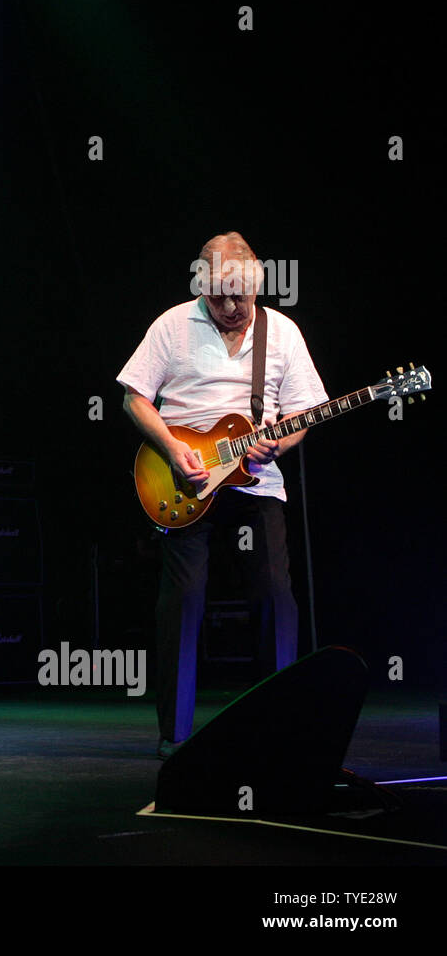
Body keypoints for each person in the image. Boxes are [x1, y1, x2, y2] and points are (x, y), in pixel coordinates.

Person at [117, 232, 327, 759]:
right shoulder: (172, 325)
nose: (232, 308)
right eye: (218, 297)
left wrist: (284, 440)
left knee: (277, 594)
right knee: (184, 599)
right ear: (201, 286)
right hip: (185, 481)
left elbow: (303, 410)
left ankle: (281, 724)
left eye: (242, 296)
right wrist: (170, 447)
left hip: (259, 482)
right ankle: (176, 734)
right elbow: (133, 398)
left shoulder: (283, 333)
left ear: (257, 286)